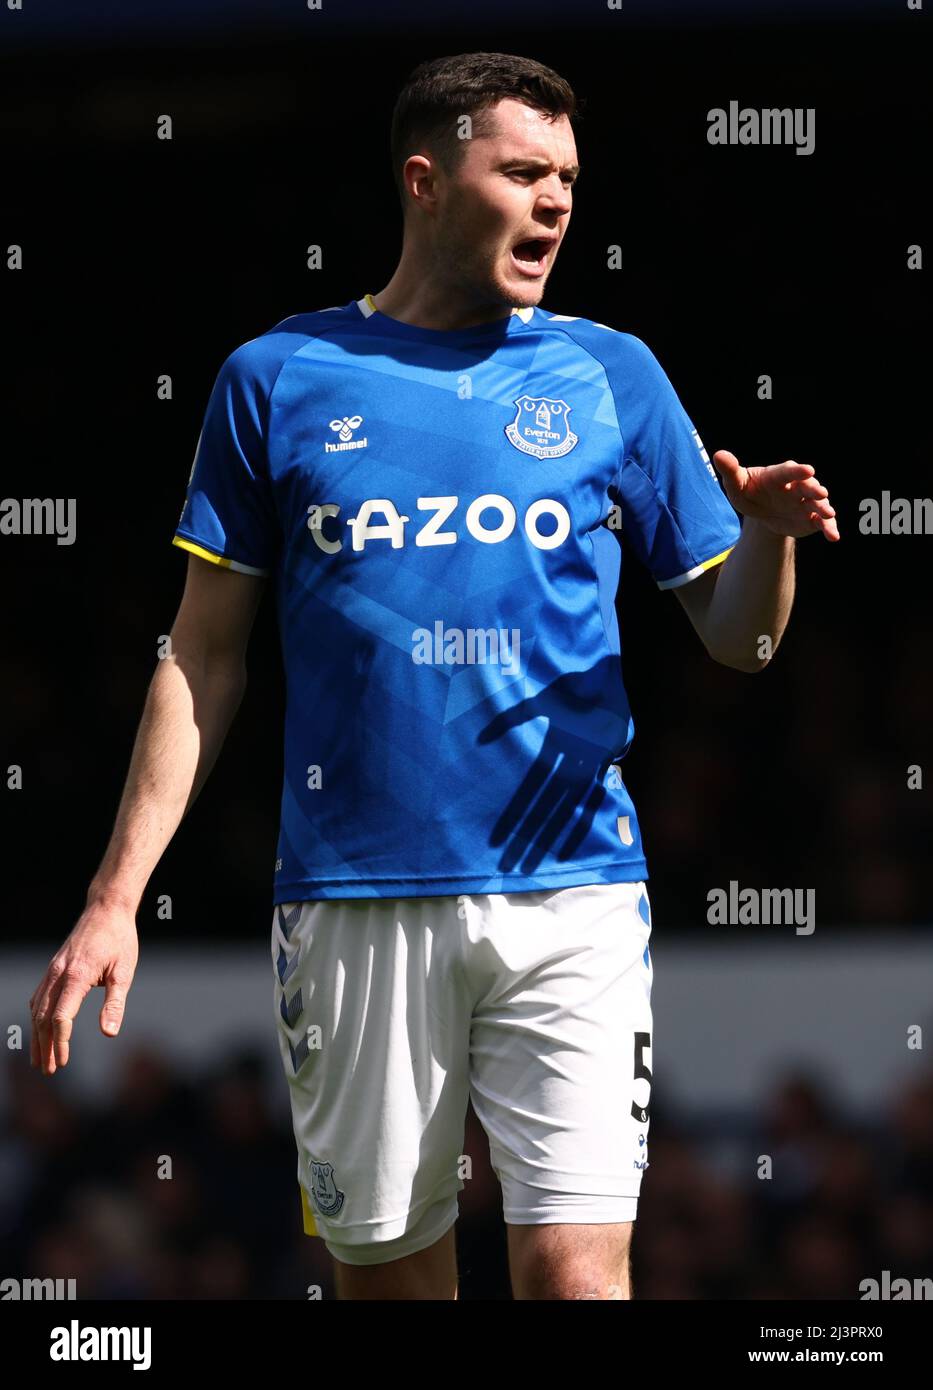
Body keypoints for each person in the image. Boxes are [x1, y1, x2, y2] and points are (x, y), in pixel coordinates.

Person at [28, 51, 838, 1300]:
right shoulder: (278, 378)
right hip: (357, 898)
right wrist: (114, 895)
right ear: (425, 180)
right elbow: (203, 655)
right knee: (394, 1286)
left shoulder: (612, 374)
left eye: (569, 176)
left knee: (580, 1275)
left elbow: (743, 640)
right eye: (522, 171)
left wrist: (771, 544)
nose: (557, 200)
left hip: (575, 889)